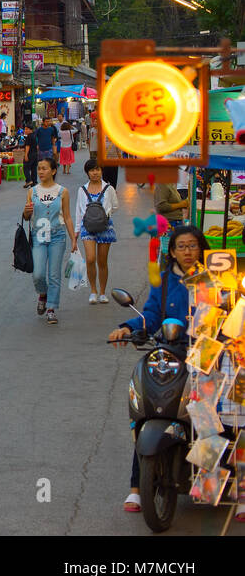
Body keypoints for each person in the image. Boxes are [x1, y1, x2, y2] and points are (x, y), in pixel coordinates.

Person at [105, 226, 211, 515]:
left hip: (209, 358)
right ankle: (137, 488)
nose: (188, 252)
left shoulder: (215, 280)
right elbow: (151, 315)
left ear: (201, 248)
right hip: (169, 355)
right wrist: (127, 327)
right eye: (182, 246)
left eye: (193, 246)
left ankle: (235, 487)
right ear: (172, 251)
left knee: (222, 419)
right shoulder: (163, 282)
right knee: (149, 412)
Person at [21, 156, 77, 324]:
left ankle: (51, 308)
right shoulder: (33, 191)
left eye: (44, 168)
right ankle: (43, 294)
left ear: (53, 171)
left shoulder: (62, 191)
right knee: (38, 273)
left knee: (54, 274)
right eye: (39, 168)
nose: (40, 172)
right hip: (38, 236)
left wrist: (73, 238)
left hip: (57, 235)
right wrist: (26, 211)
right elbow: (26, 217)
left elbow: (67, 217)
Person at [74, 158, 117, 305]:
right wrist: (76, 231)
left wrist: (106, 213)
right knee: (91, 258)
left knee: (102, 261)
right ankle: (93, 291)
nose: (95, 173)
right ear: (87, 173)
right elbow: (79, 211)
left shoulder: (109, 189)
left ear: (101, 171)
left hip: (105, 227)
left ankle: (103, 292)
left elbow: (115, 205)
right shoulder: (82, 190)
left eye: (97, 169)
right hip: (87, 227)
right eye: (92, 170)